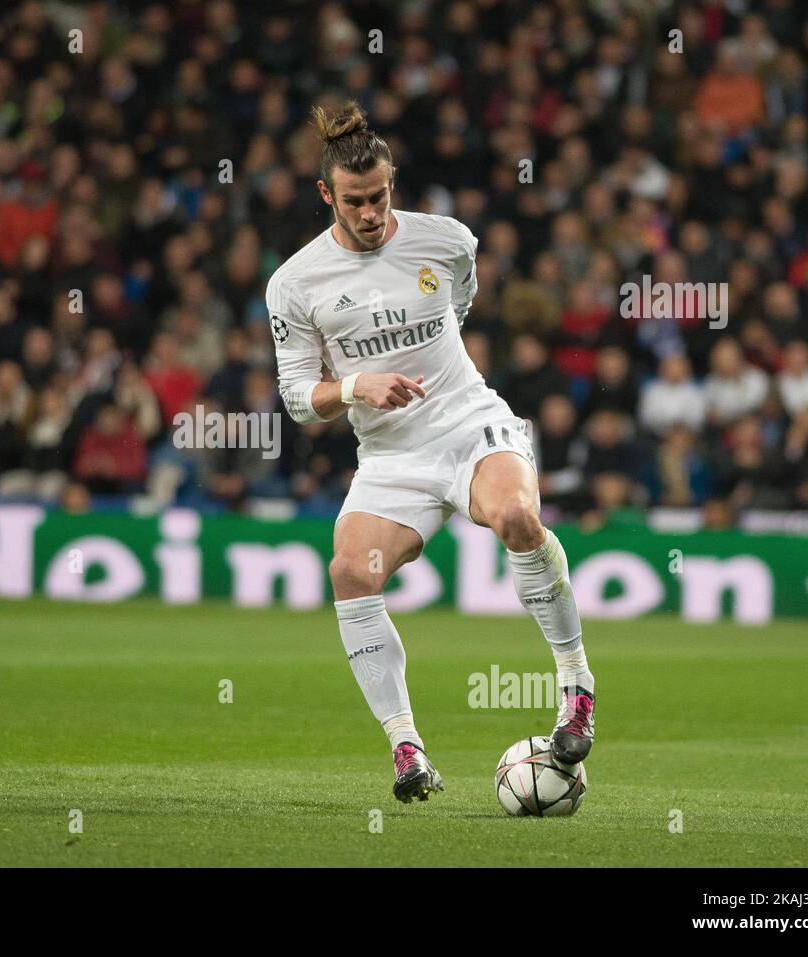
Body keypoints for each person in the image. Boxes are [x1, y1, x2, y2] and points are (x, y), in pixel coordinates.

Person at [267, 102, 595, 802]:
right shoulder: (295, 284)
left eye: (380, 196)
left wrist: (428, 375)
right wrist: (358, 384)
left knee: (517, 518)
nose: (370, 213)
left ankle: (576, 689)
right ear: (327, 195)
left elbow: (461, 304)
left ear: (393, 184)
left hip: (469, 421)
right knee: (352, 569)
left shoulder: (445, 240)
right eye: (353, 201)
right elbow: (298, 396)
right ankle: (406, 745)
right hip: (390, 457)